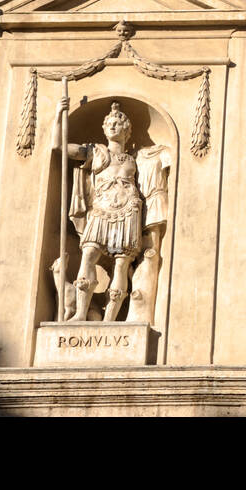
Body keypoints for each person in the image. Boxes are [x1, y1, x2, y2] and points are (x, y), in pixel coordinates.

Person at [56, 100, 171, 323]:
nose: (113, 126)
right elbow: (59, 148)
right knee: (88, 255)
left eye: (118, 123)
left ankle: (110, 320)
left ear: (127, 131)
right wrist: (60, 116)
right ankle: (80, 313)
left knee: (121, 263)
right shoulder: (95, 151)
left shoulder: (136, 158)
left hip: (129, 211)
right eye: (109, 123)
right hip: (102, 209)